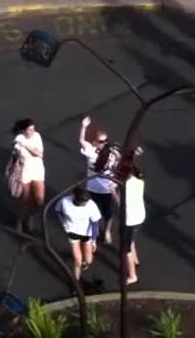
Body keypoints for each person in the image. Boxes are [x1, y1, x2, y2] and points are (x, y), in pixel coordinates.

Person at [78, 116, 118, 244]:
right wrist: (83, 127)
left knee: (109, 214)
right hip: (93, 188)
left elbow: (120, 164)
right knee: (93, 213)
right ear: (94, 141)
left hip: (108, 189)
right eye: (100, 141)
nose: (103, 143)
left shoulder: (112, 152)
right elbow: (81, 140)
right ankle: (95, 233)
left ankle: (106, 231)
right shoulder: (90, 150)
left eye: (105, 141)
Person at [58, 187, 103, 281]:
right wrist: (63, 223)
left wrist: (94, 240)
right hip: (72, 232)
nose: (84, 204)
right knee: (77, 261)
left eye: (85, 203)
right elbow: (59, 211)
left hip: (86, 233)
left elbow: (95, 223)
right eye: (82, 203)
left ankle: (85, 263)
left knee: (88, 260)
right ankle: (76, 282)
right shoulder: (64, 201)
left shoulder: (91, 205)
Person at [10, 119, 45, 232]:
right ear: (23, 131)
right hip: (25, 172)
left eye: (33, 129)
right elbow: (16, 156)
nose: (32, 131)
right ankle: (20, 221)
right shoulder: (18, 139)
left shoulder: (36, 136)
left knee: (39, 199)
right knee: (25, 199)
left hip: (38, 171)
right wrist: (17, 150)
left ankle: (30, 217)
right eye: (30, 129)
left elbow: (39, 153)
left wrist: (25, 144)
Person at [123, 165, 146, 284]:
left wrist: (113, 193)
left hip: (130, 221)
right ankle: (136, 259)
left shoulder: (125, 187)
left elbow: (121, 204)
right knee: (132, 239)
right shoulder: (140, 182)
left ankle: (132, 275)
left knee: (126, 250)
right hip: (140, 216)